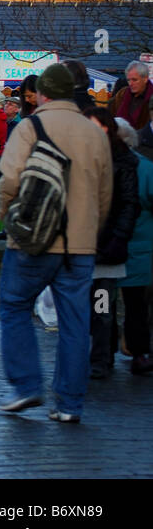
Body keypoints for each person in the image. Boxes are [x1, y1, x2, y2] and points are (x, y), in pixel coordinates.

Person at [0, 63, 112, 423]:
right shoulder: (95, 133)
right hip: (79, 245)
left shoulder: (31, 127)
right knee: (76, 323)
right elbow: (105, 193)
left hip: (33, 241)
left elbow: (8, 182)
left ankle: (28, 385)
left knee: (14, 306)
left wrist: (11, 222)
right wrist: (90, 230)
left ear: (42, 94)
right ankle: (69, 404)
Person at [84, 107, 139, 379]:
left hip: (107, 248)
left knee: (102, 306)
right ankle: (88, 356)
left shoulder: (122, 162)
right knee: (80, 307)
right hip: (80, 247)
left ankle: (101, 359)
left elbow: (129, 204)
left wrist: (119, 237)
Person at [120, 123, 153, 375]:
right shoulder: (145, 168)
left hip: (111, 253)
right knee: (135, 306)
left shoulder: (100, 166)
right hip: (136, 251)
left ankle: (103, 349)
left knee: (103, 303)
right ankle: (138, 351)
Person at [110, 61, 152, 131]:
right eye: (128, 80)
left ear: (145, 79)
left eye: (134, 80)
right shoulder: (121, 95)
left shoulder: (151, 97)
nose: (130, 84)